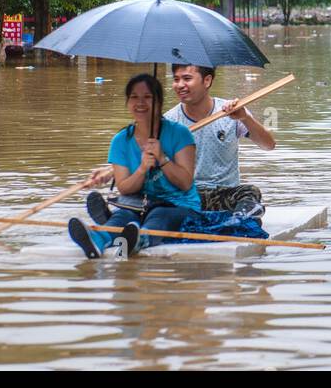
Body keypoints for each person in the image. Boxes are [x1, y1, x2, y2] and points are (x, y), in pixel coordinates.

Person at [85, 64, 276, 219]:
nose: (179, 85)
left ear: (207, 80)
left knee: (250, 192)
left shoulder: (231, 112)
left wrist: (245, 118)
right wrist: (111, 171)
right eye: (176, 79)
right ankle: (117, 218)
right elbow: (144, 156)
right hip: (185, 196)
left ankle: (238, 220)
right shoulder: (168, 122)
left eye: (187, 78)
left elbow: (269, 145)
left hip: (222, 194)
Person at [68, 73, 199, 259]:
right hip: (138, 205)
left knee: (159, 215)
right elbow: (124, 187)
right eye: (134, 97)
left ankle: (138, 240)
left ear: (159, 102)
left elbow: (185, 183)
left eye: (147, 97)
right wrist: (142, 168)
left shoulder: (180, 134)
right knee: (122, 217)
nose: (140, 103)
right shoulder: (121, 140)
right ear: (128, 103)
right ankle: (97, 240)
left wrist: (162, 158)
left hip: (178, 204)